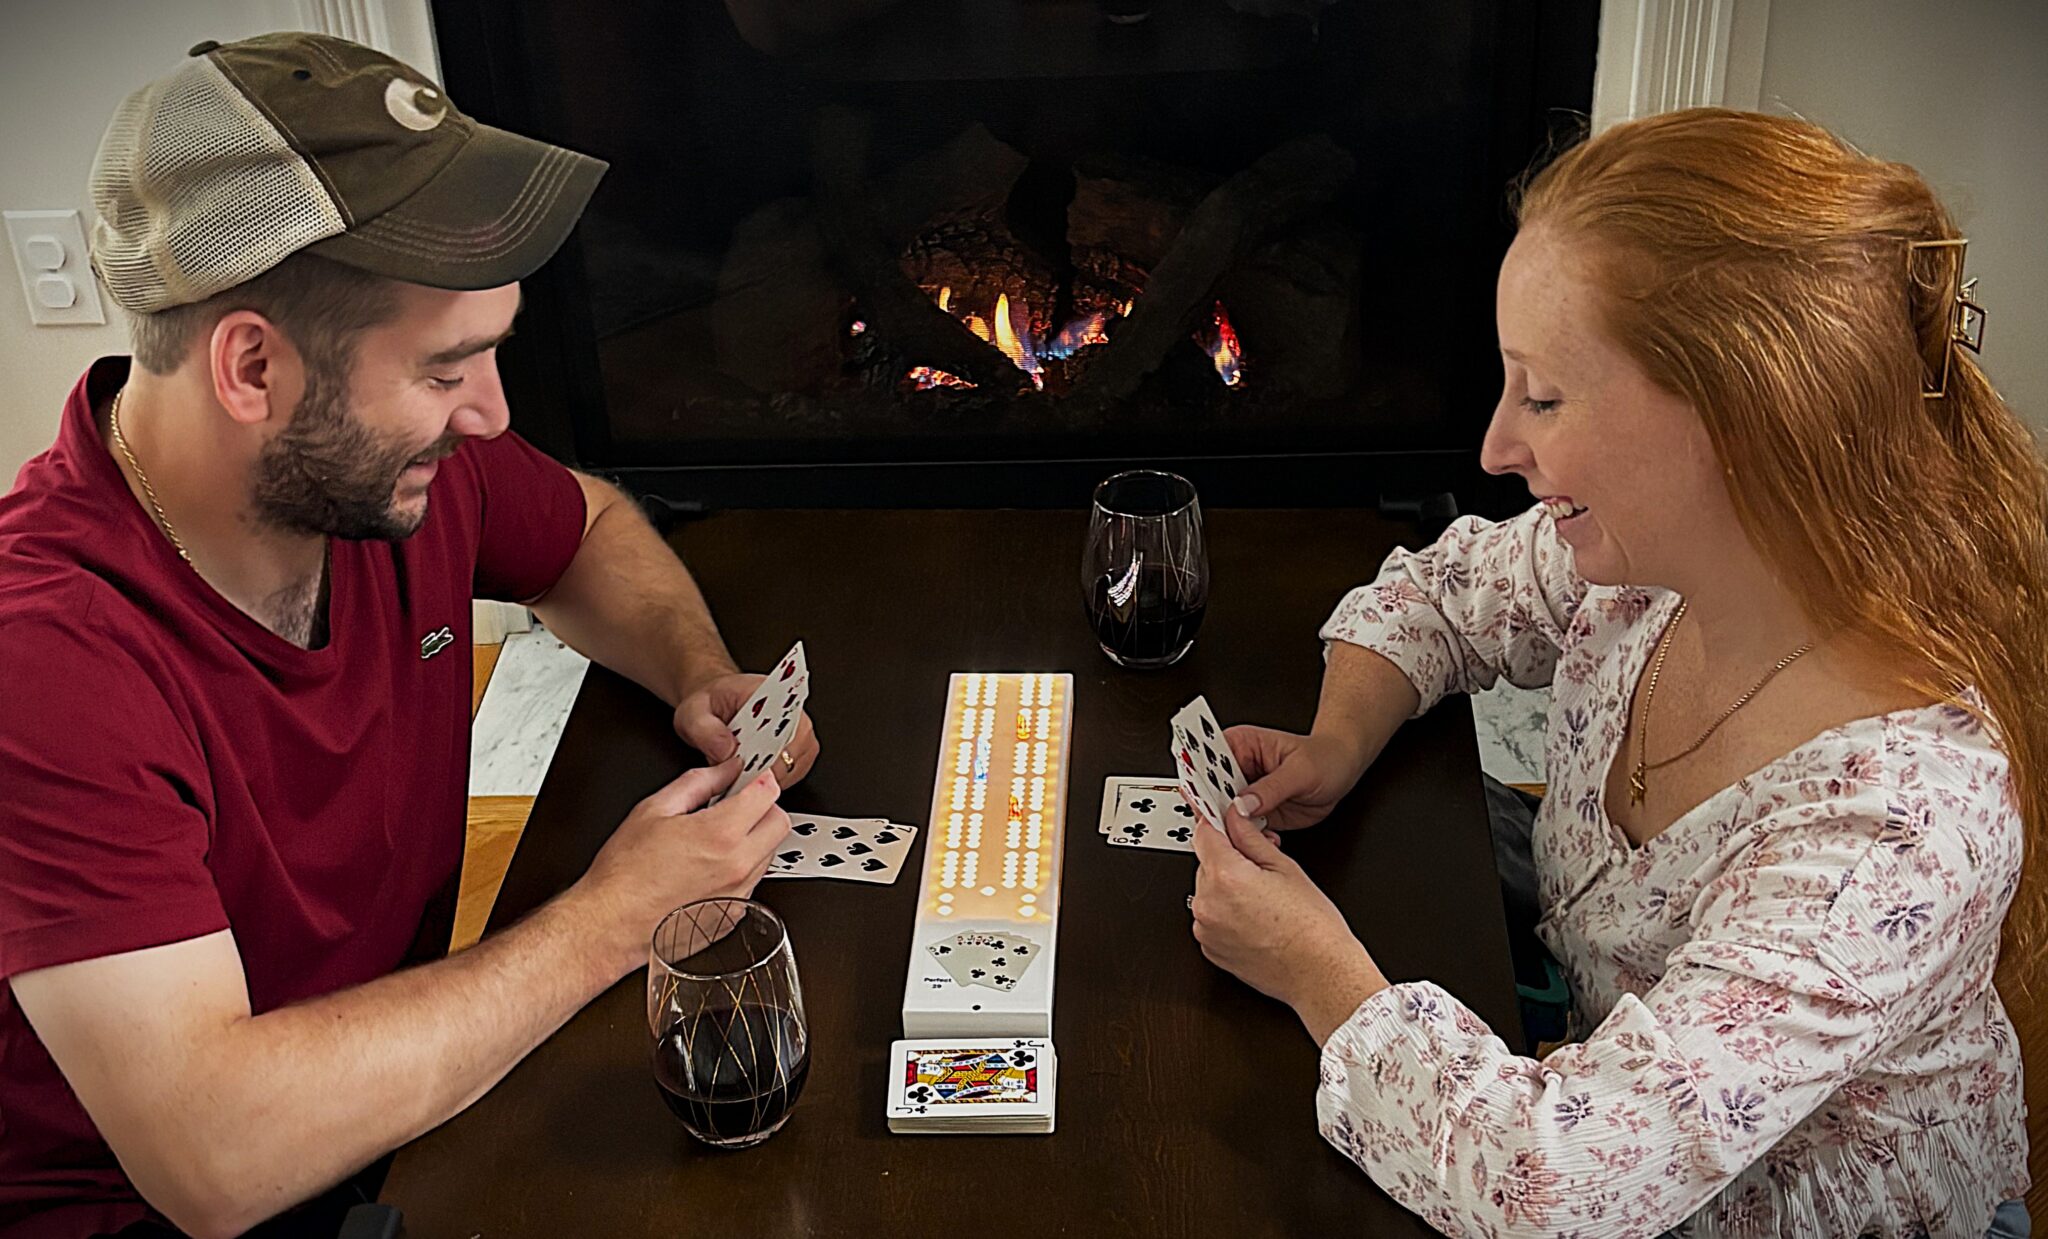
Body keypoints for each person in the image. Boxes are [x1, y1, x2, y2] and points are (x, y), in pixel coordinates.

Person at [0, 33, 820, 1239]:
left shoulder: (381, 470)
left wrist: (695, 673)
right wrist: (609, 920)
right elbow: (213, 1159)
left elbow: (583, 523)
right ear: (250, 368)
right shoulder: (44, 663)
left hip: (403, 1099)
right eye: (448, 372)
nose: (489, 414)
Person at [1188, 108, 2042, 1236]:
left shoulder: (1897, 828)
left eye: (1539, 396)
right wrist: (1336, 743)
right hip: (1616, 1096)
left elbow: (1556, 1184)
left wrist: (1315, 971)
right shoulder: (1646, 561)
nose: (1494, 447)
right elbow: (1438, 593)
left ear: (1735, 419)